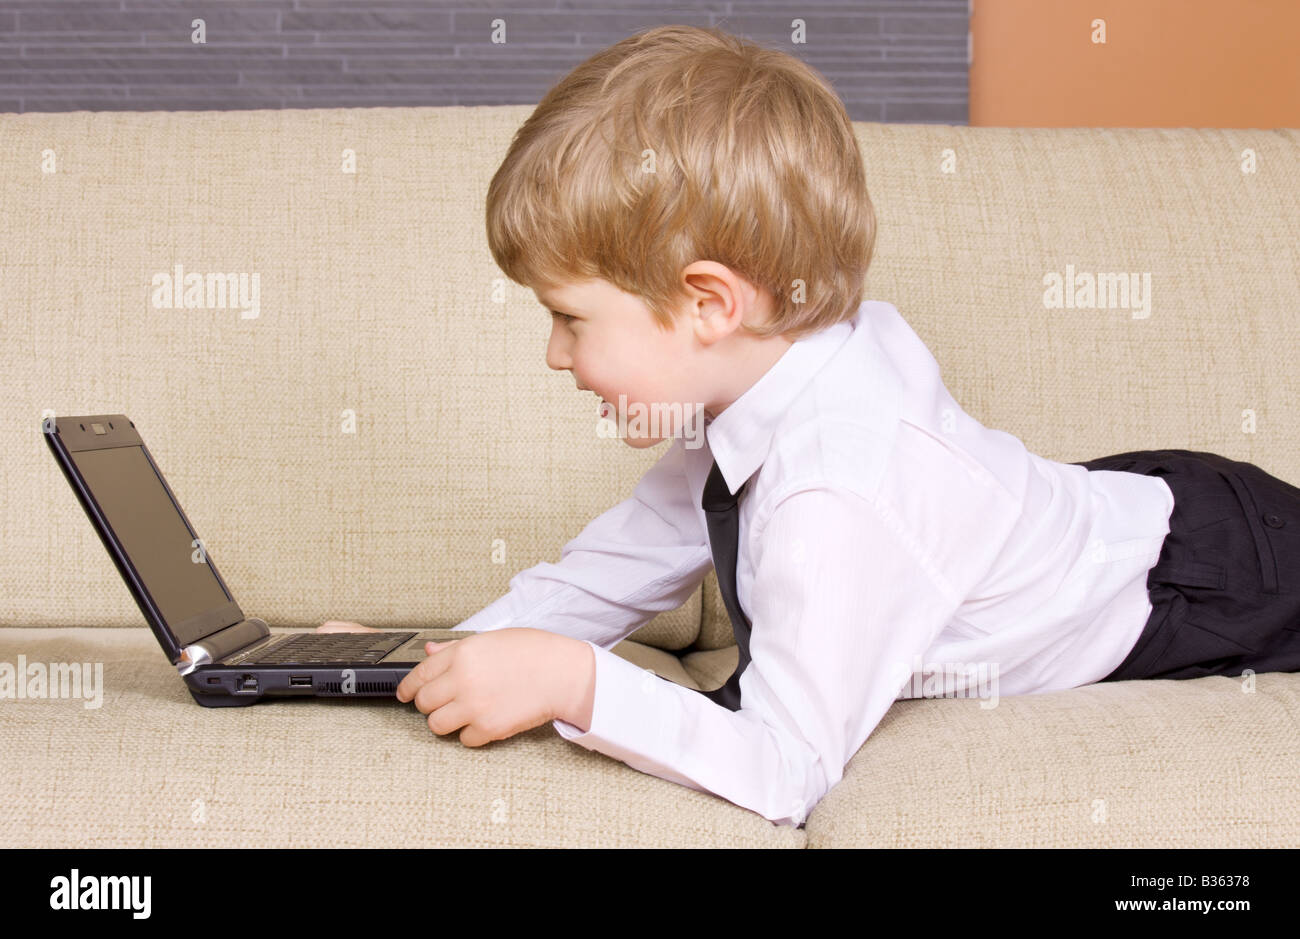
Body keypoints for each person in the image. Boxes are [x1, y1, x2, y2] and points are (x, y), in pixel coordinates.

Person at [318, 25, 1300, 829]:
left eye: (570, 318)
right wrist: (433, 656)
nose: (552, 353)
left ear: (708, 304)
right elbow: (621, 559)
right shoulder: (756, 385)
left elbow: (785, 768)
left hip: (1209, 572)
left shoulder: (837, 488)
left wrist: (581, 685)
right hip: (1124, 506)